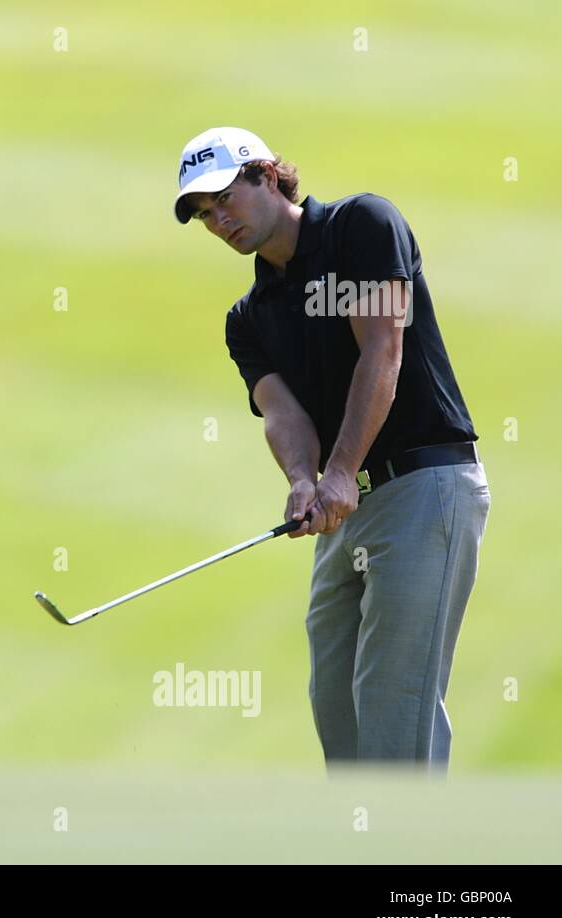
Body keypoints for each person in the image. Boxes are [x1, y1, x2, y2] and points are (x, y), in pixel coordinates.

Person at [173, 127, 490, 773]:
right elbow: (282, 410)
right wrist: (301, 477)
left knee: (392, 704)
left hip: (423, 487)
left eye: (225, 198)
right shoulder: (249, 316)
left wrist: (340, 471)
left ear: (266, 174)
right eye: (205, 215)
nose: (219, 221)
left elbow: (384, 348)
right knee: (338, 709)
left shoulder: (362, 225)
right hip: (345, 510)